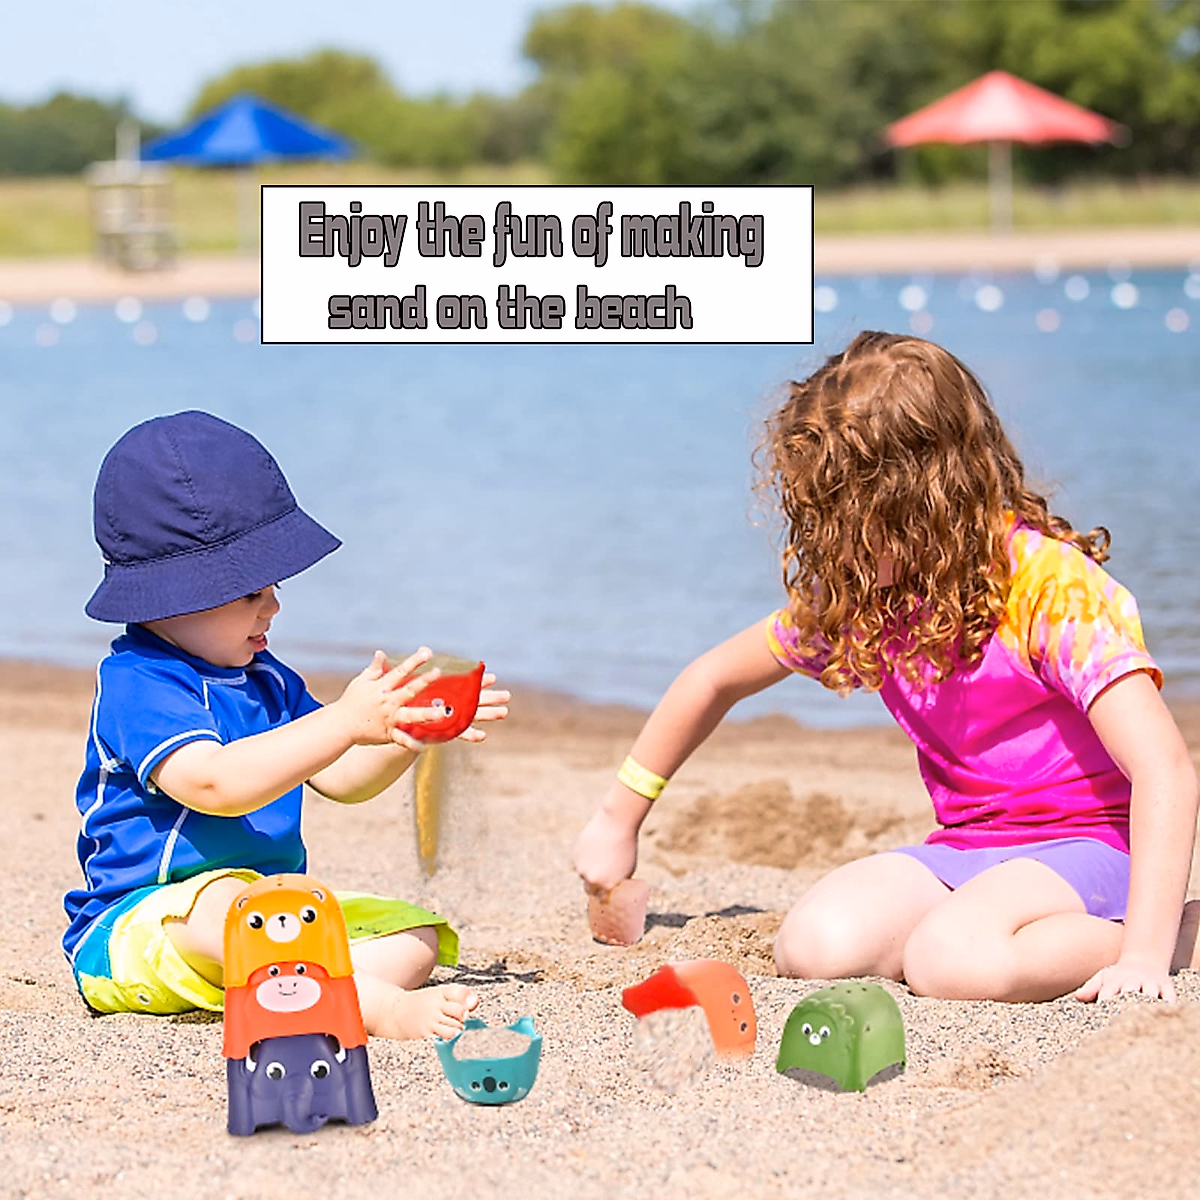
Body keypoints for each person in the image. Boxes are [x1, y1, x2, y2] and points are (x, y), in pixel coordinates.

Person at [575, 330, 1199, 1004]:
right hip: (968, 847)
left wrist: (1142, 957)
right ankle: (1001, 931)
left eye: (844, 523)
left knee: (949, 961)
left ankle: (1178, 935)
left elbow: (1165, 769)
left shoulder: (1049, 587)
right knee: (815, 945)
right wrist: (618, 818)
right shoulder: (872, 597)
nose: (826, 546)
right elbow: (713, 679)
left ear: (923, 502)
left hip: (1095, 845)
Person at [64, 410, 510, 1040]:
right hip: (146, 925)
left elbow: (344, 778)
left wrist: (403, 733)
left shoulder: (267, 676)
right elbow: (215, 784)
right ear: (172, 596)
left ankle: (302, 988)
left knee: (413, 935)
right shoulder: (140, 682)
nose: (273, 605)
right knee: (234, 911)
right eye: (251, 592)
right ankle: (376, 1008)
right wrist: (345, 720)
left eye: (271, 586)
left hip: (268, 911)